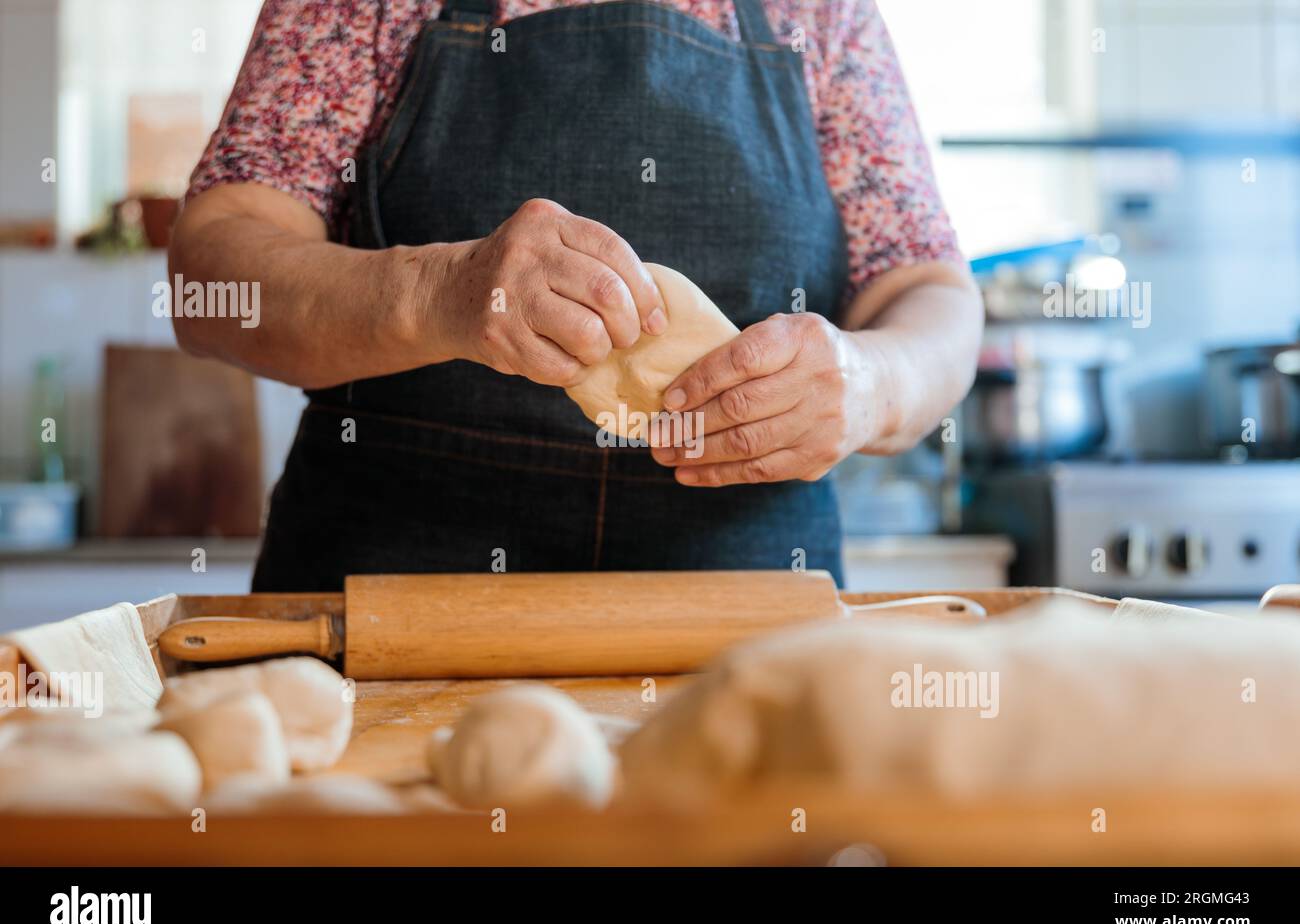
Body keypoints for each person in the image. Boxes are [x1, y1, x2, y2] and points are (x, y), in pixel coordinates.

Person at [169, 0, 983, 589]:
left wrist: (870, 381)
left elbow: (931, 294)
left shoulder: (823, 16)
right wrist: (438, 292)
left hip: (742, 635)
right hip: (390, 613)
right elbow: (210, 277)